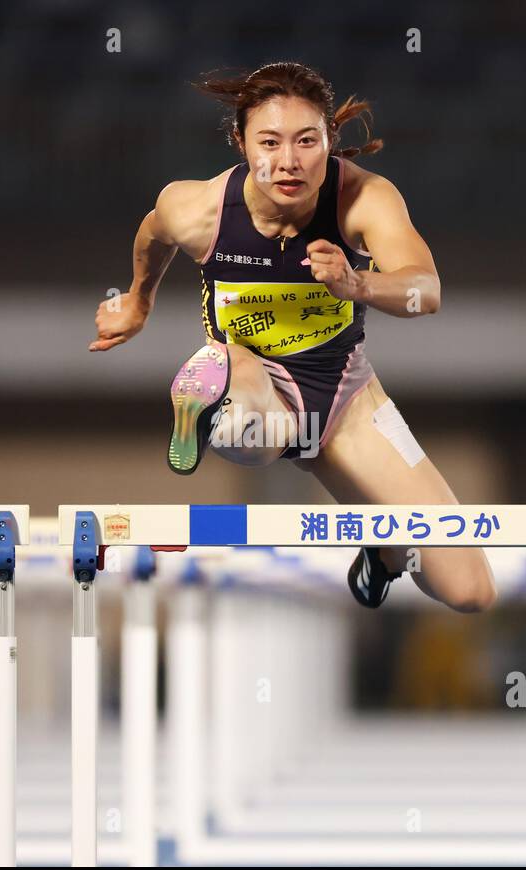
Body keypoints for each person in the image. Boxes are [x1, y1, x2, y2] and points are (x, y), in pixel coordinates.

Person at [91, 62, 495, 614]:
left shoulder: (364, 199)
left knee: (469, 589)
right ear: (241, 143)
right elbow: (152, 234)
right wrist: (139, 301)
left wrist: (360, 282)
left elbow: (427, 292)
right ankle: (216, 394)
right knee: (251, 427)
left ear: (330, 141)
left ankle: (386, 552)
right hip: (253, 379)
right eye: (270, 142)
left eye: (308, 141)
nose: (289, 161)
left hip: (347, 400)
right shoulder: (196, 209)